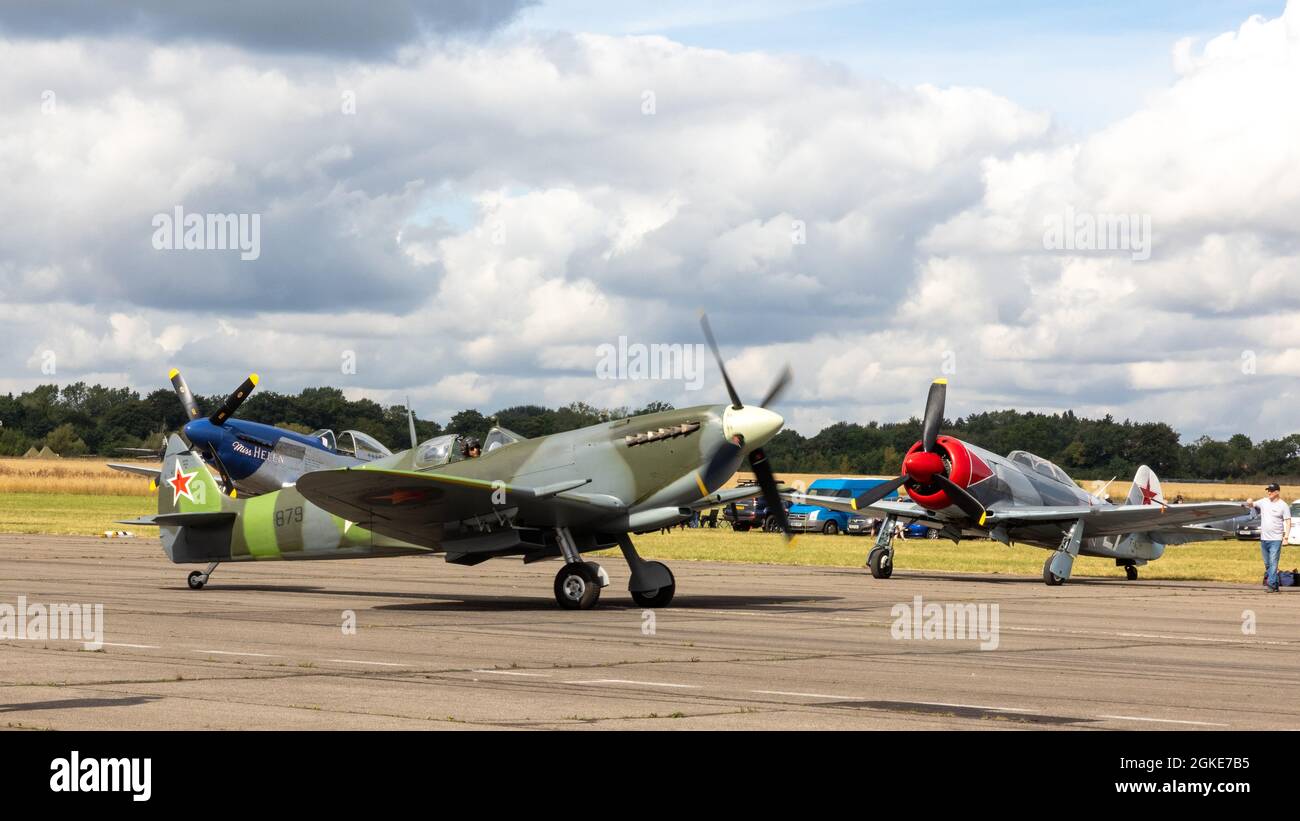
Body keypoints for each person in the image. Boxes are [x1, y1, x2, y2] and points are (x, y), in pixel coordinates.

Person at [1248, 483, 1292, 593]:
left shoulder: (1283, 505)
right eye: (1268, 490)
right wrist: (1249, 502)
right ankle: (1276, 584)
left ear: (1277, 492)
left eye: (1271, 491)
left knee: (1273, 562)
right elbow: (1252, 505)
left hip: (1276, 539)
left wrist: (1286, 537)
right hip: (1264, 538)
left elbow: (1288, 521)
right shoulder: (1263, 502)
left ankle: (1271, 584)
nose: (1269, 493)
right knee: (1267, 563)